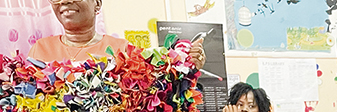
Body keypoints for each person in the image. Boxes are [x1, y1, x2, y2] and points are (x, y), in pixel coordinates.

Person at [29, 0, 205, 68]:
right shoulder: (40, 49)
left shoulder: (123, 50)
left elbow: (159, 82)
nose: (65, 2)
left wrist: (187, 62)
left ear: (97, 4)